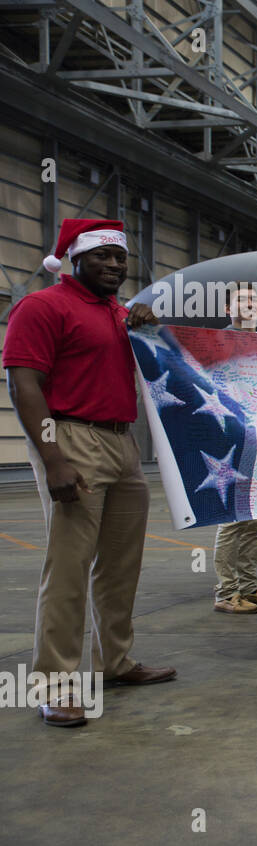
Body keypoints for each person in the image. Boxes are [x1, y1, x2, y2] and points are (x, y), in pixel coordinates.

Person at [3, 218, 177, 728]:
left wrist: (144, 325)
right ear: (74, 260)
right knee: (69, 564)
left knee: (121, 562)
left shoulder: (119, 314)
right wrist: (53, 457)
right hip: (71, 437)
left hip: (121, 440)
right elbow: (24, 385)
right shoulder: (41, 307)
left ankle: (115, 662)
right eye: (102, 256)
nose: (115, 265)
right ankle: (54, 684)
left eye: (120, 258)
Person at [212, 284, 257, 614]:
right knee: (232, 519)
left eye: (253, 301)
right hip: (232, 440)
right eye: (242, 301)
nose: (248, 305)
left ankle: (248, 585)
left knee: (254, 519)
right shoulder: (216, 344)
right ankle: (225, 591)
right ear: (228, 309)